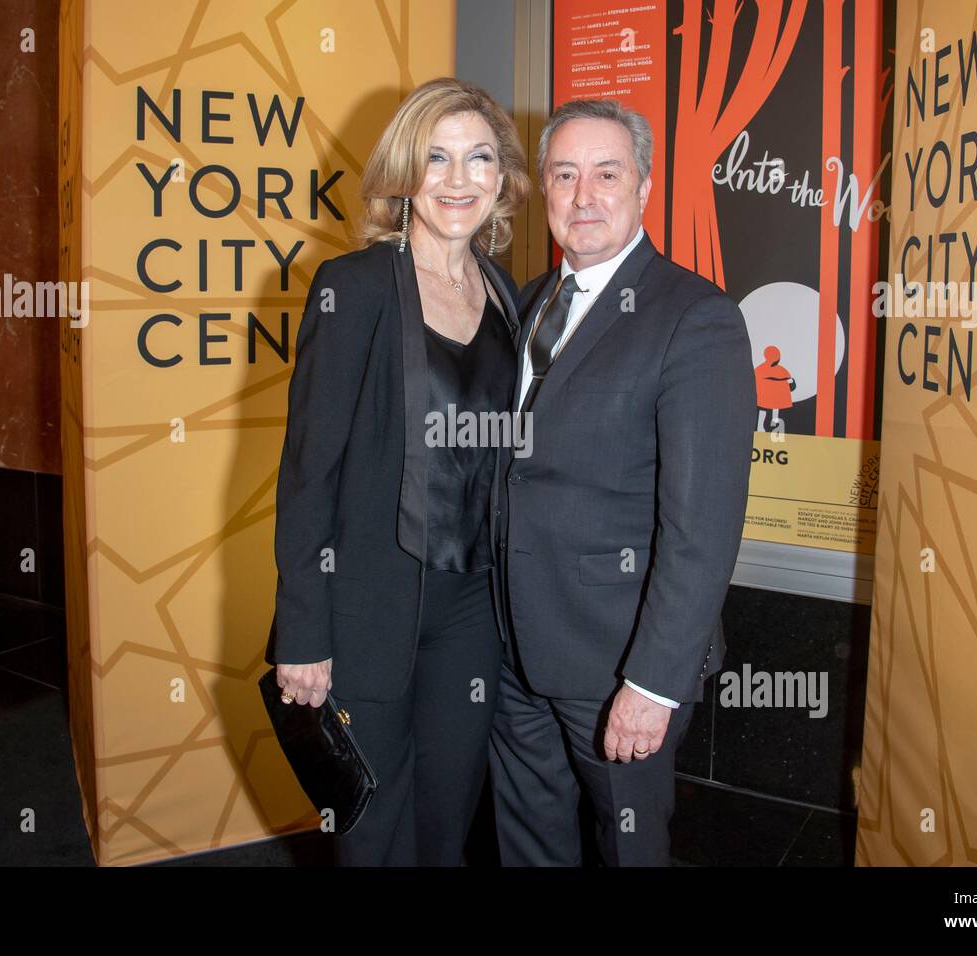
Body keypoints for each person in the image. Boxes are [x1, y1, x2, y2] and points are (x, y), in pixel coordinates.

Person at [267, 77, 530, 866]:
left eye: (478, 158)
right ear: (404, 173)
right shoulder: (354, 288)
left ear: (501, 177)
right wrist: (303, 633)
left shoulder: (505, 292)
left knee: (448, 822)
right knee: (373, 836)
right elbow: (309, 473)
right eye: (437, 158)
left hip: (471, 613)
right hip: (369, 607)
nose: (458, 179)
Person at [488, 98, 755, 866]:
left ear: (644, 187)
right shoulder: (531, 302)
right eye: (565, 175)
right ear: (543, 188)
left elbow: (702, 529)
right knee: (527, 846)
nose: (584, 196)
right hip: (512, 652)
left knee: (629, 852)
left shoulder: (694, 318)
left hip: (618, 665)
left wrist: (654, 684)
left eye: (607, 174)